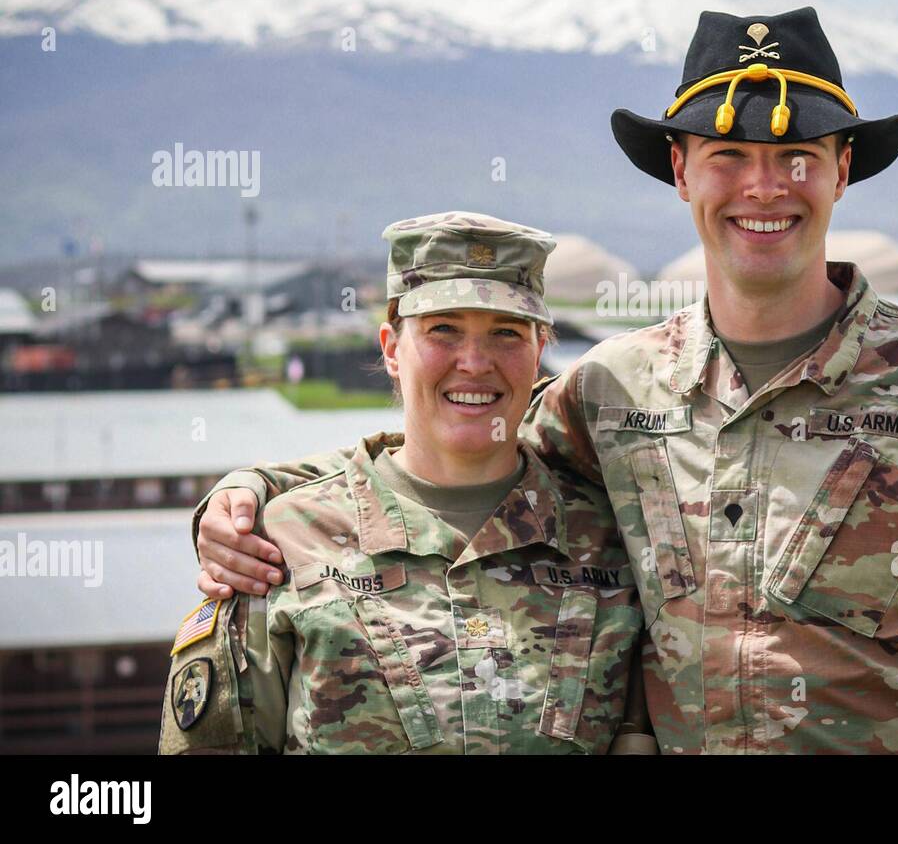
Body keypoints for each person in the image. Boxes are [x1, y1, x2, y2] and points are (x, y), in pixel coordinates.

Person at [192, 8, 898, 754]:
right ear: (680, 170)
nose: (764, 187)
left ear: (842, 170)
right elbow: (453, 456)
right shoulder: (614, 391)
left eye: (796, 156)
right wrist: (256, 494)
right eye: (730, 157)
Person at [160, 212, 648, 754]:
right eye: (443, 329)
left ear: (539, 353)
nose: (474, 362)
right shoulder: (281, 545)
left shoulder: (612, 542)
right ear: (392, 348)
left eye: (506, 333)